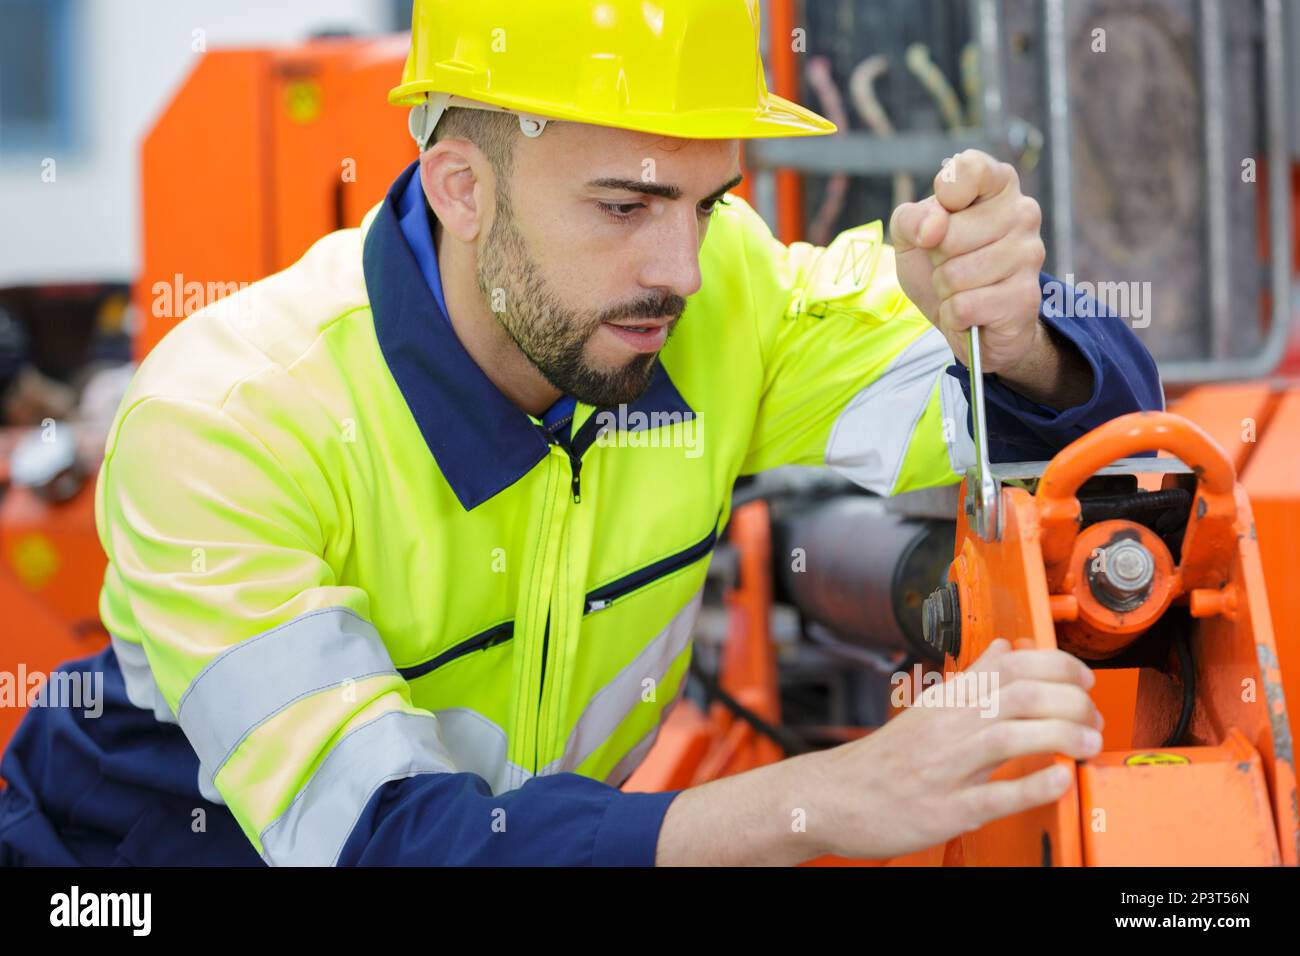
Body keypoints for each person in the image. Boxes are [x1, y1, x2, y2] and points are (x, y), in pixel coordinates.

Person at [0, 0, 1162, 866]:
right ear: (461, 187)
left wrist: (1010, 329)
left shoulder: (720, 301)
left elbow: (1086, 434)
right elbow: (379, 837)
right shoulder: (226, 418)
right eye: (624, 204)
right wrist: (829, 794)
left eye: (708, 202)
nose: (680, 270)